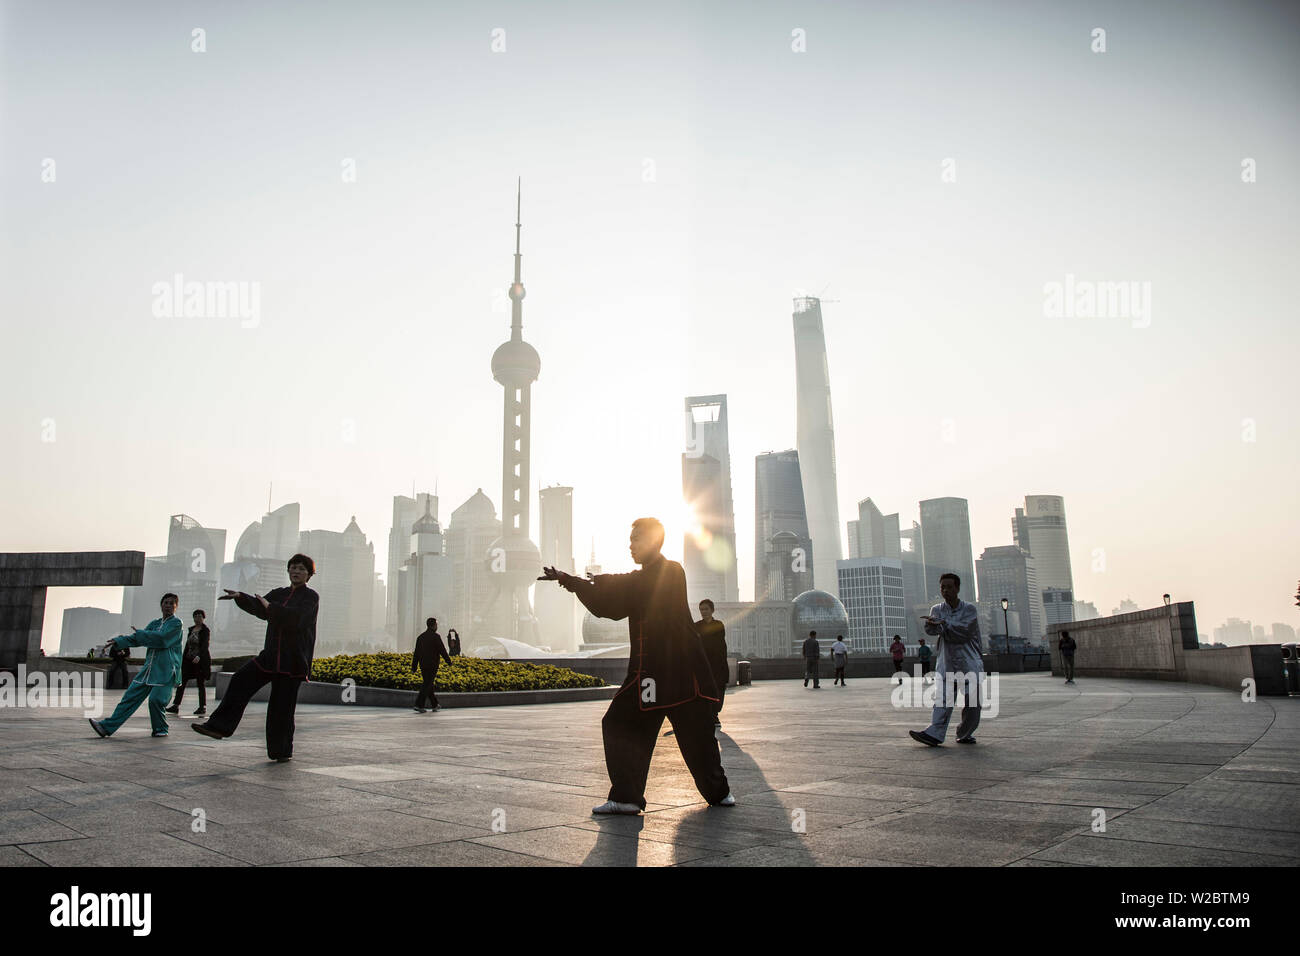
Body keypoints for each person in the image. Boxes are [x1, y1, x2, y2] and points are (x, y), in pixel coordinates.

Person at [539, 517, 733, 814]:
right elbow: (613, 604)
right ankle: (627, 797)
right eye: (630, 540)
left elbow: (632, 586)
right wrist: (575, 581)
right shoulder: (641, 581)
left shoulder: (671, 572)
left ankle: (718, 794)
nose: (631, 545)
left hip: (679, 673)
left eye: (637, 539)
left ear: (655, 541)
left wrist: (581, 580)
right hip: (652, 676)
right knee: (620, 724)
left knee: (697, 738)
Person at [193, 554, 319, 762]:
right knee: (240, 680)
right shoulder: (279, 593)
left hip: (293, 661)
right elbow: (261, 606)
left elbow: (297, 619)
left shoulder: (311, 597)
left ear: (309, 575)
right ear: (288, 571)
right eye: (293, 567)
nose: (296, 571)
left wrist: (271, 608)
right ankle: (218, 727)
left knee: (282, 708)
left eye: (302, 569)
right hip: (270, 656)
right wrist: (241, 598)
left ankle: (281, 751)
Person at [89, 593, 183, 738]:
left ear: (176, 607)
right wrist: (120, 641)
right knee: (129, 698)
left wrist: (141, 634)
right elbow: (137, 639)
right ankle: (106, 727)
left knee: (156, 700)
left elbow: (163, 640)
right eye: (166, 603)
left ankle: (160, 728)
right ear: (161, 605)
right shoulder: (154, 624)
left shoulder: (176, 624)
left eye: (172, 603)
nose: (168, 606)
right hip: (148, 670)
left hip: (166, 670)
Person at [910, 573, 983, 747]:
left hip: (968, 660)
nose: (946, 590)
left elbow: (965, 631)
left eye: (949, 587)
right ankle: (935, 732)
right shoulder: (936, 609)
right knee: (942, 698)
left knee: (973, 703)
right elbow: (932, 631)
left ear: (957, 588)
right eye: (943, 587)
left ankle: (965, 733)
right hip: (947, 660)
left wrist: (944, 624)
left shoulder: (969, 609)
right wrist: (931, 625)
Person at [167, 609, 211, 715]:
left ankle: (202, 707)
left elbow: (205, 645)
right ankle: (176, 705)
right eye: (196, 616)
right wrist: (182, 659)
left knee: (200, 684)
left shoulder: (205, 630)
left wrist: (199, 656)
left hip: (199, 661)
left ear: (203, 618)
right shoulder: (191, 629)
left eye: (200, 616)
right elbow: (187, 645)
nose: (198, 618)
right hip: (188, 660)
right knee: (182, 683)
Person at [695, 599, 729, 728]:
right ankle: (710, 715)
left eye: (706, 609)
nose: (704, 612)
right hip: (703, 664)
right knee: (705, 690)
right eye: (701, 609)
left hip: (717, 663)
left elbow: (720, 645)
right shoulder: (696, 626)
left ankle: (714, 713)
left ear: (712, 610)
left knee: (719, 690)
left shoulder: (718, 625)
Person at [412, 617, 452, 712]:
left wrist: (414, 666)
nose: (437, 626)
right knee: (427, 683)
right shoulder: (436, 637)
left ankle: (435, 704)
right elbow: (442, 650)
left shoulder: (420, 637)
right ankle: (419, 705)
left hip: (423, 664)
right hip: (433, 665)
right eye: (436, 624)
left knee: (428, 683)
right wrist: (448, 661)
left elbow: (416, 653)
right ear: (433, 625)